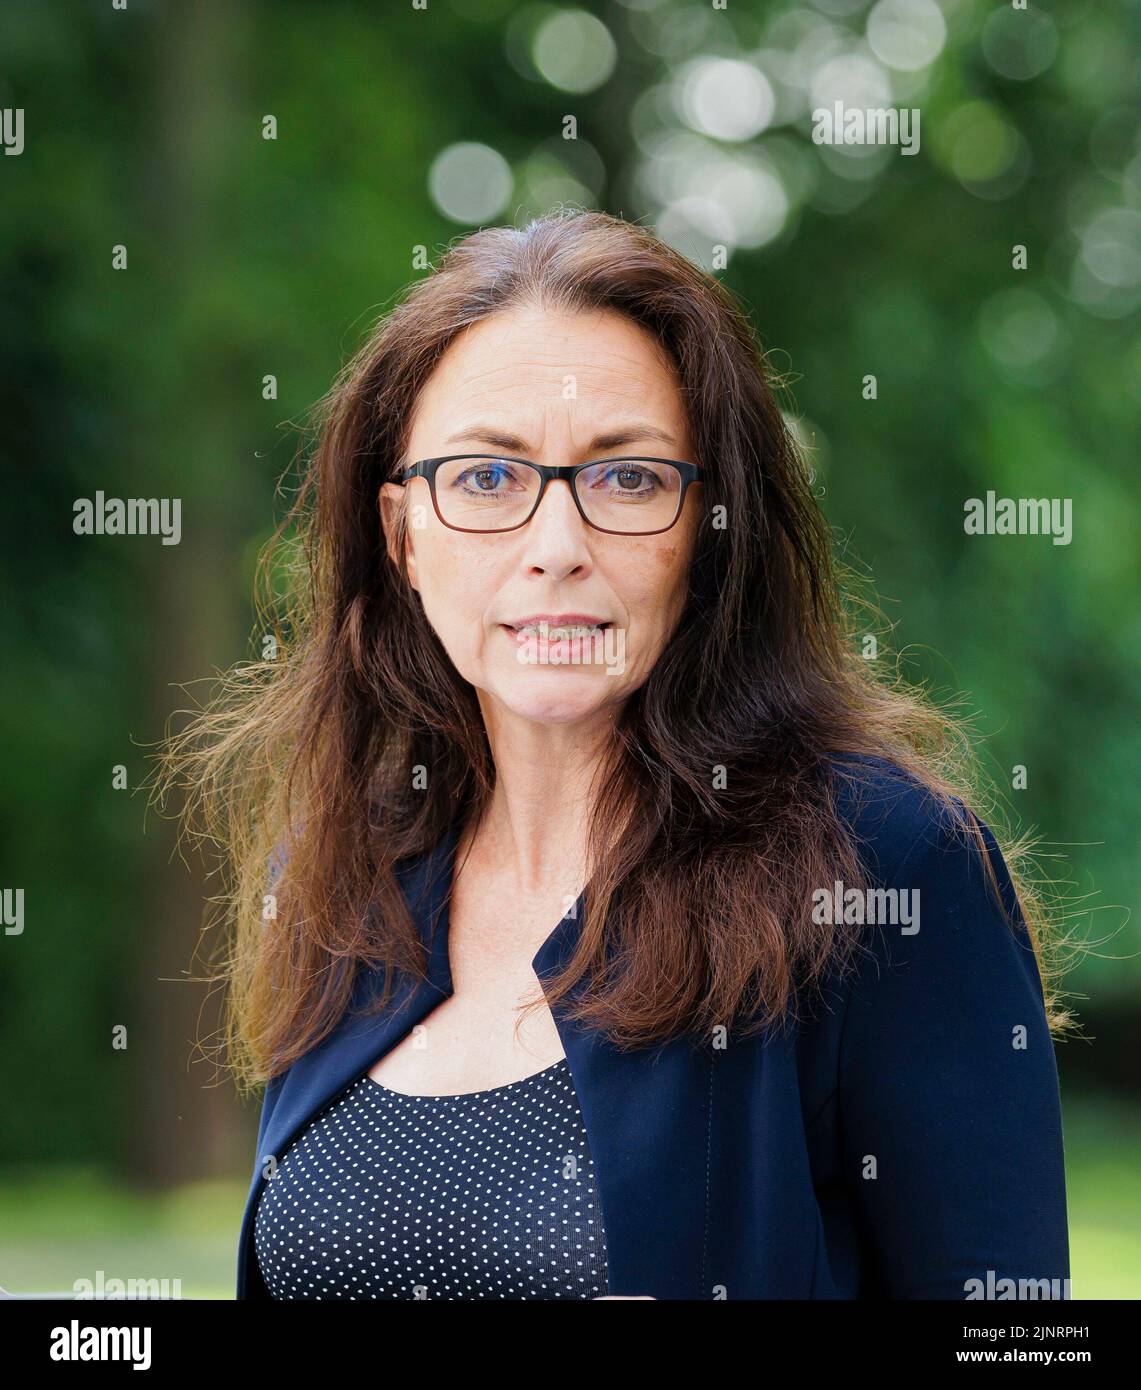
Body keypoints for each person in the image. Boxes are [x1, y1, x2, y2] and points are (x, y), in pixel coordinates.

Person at [162, 209, 1072, 1300]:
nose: (556, 550)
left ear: (711, 525)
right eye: (488, 480)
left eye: (627, 479)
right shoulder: (344, 871)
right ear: (403, 535)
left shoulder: (881, 860)